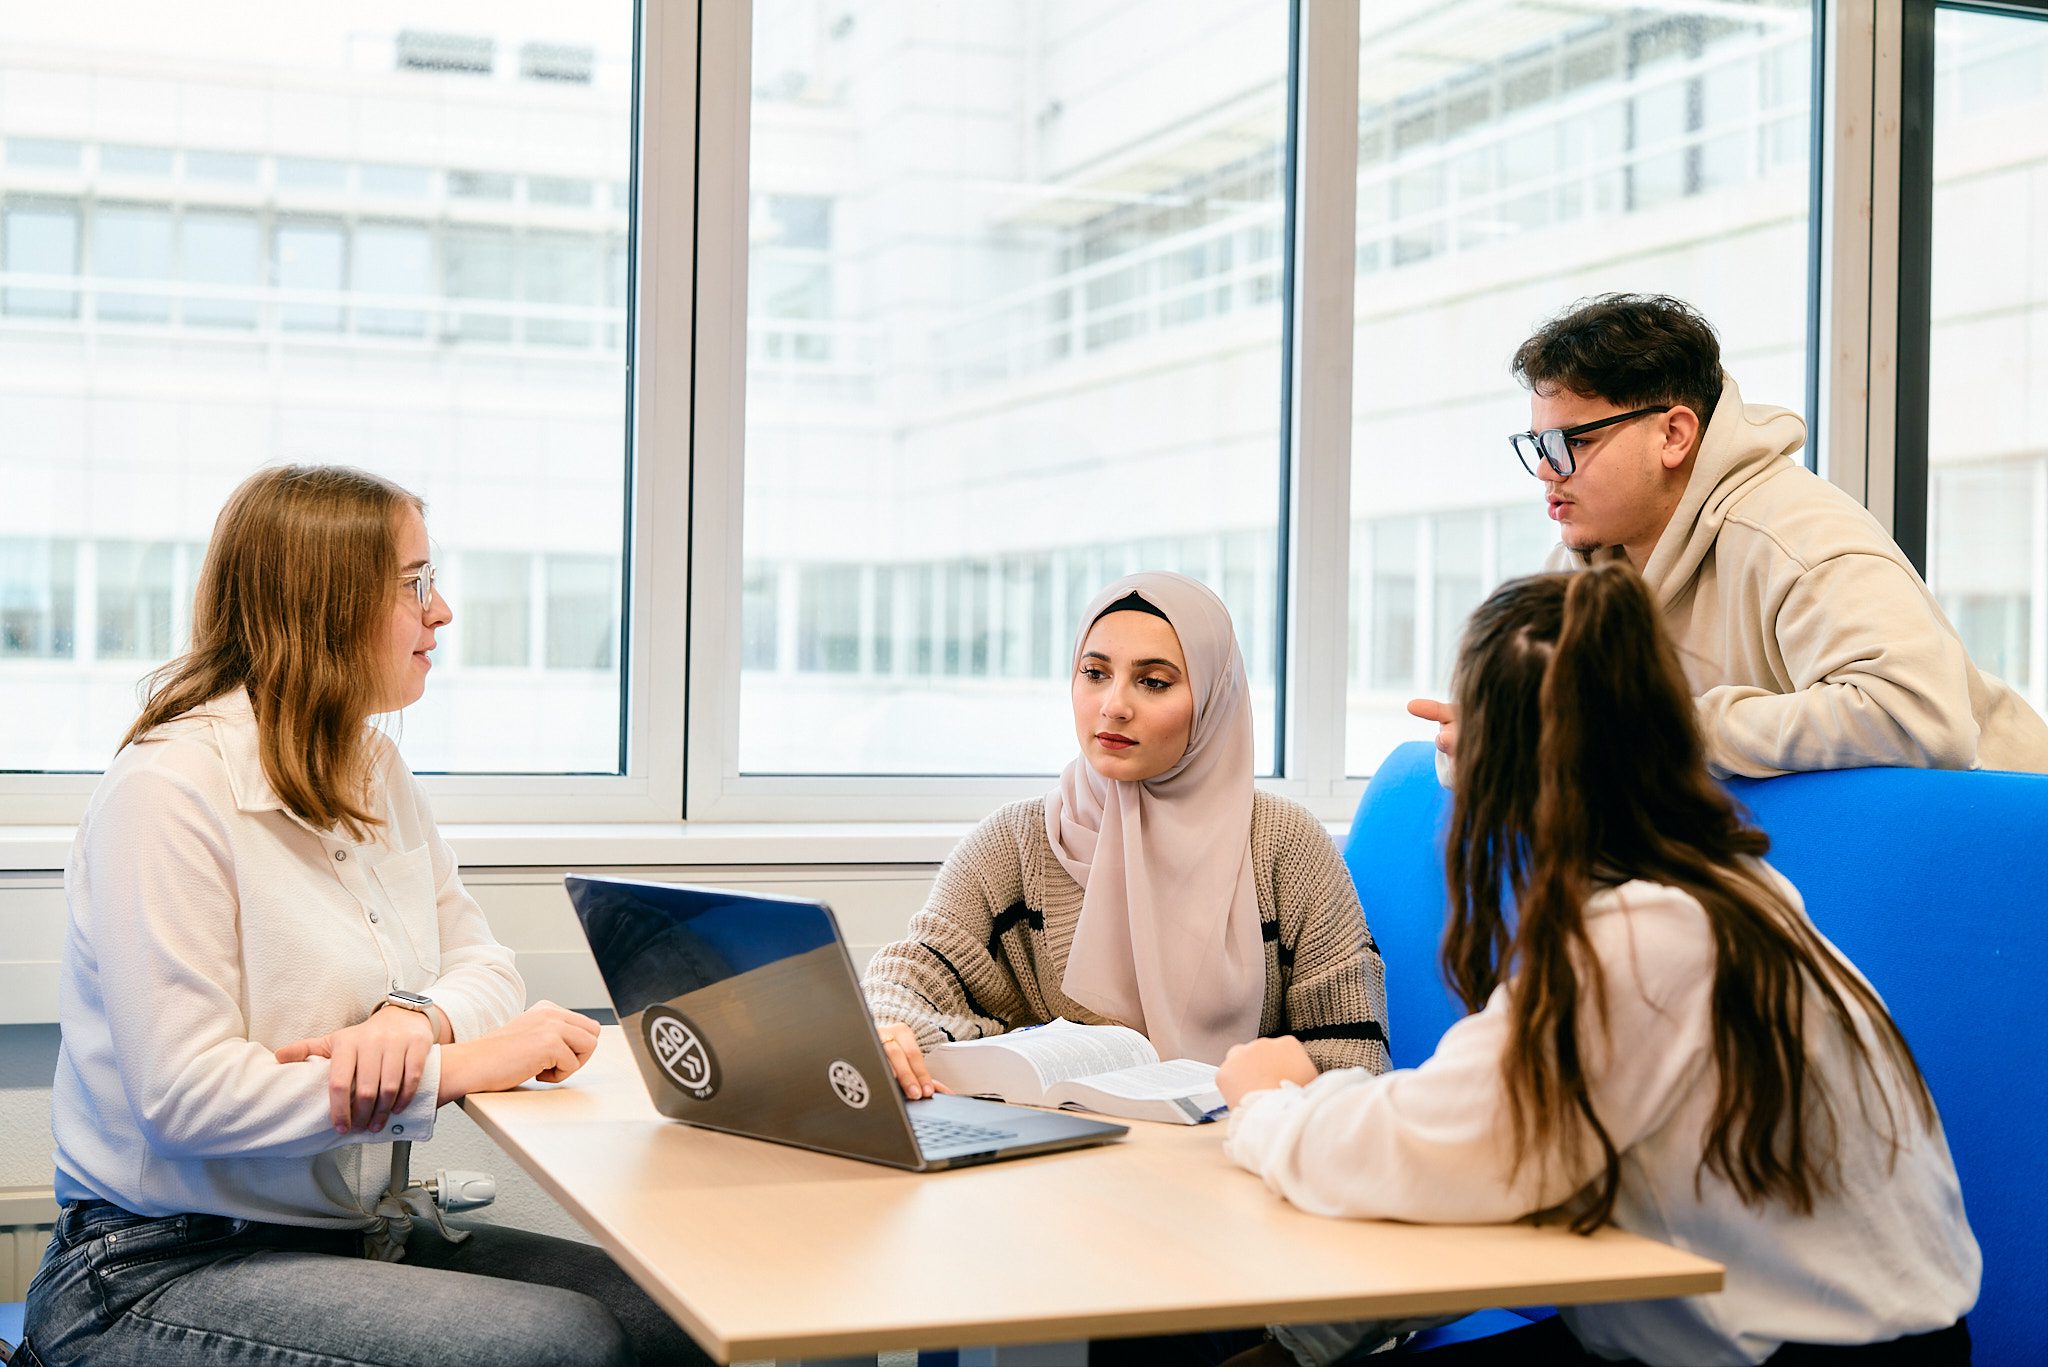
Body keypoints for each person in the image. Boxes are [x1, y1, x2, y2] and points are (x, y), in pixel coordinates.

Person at [20, 466, 707, 1367]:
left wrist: (410, 1018)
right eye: (415, 583)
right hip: (152, 1269)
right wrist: (450, 1066)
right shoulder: (167, 793)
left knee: (674, 1316)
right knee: (561, 1344)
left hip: (345, 1234)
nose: (442, 610)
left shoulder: (372, 766)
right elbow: (183, 1099)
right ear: (327, 605)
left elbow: (487, 965)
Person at [1219, 564, 1979, 1366]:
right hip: (1784, 1332)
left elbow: (1432, 1145)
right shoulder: (1728, 891)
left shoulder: (1646, 940)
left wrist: (1268, 1103)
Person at [1409, 292, 2048, 779]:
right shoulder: (1584, 559)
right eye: (1538, 444)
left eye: (1574, 440)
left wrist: (1642, 732)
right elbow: (1525, 731)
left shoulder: (1790, 534)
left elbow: (1922, 718)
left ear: (1674, 434)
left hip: (1992, 858)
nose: (1548, 470)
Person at [861, 570, 1390, 1099]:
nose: (1114, 705)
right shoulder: (1015, 842)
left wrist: (1271, 1084)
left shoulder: (1284, 845)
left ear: (1211, 698)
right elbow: (913, 975)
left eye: (1153, 681)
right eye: (1094, 673)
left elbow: (1358, 1060)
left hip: (1234, 1152)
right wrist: (887, 1029)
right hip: (1062, 1161)